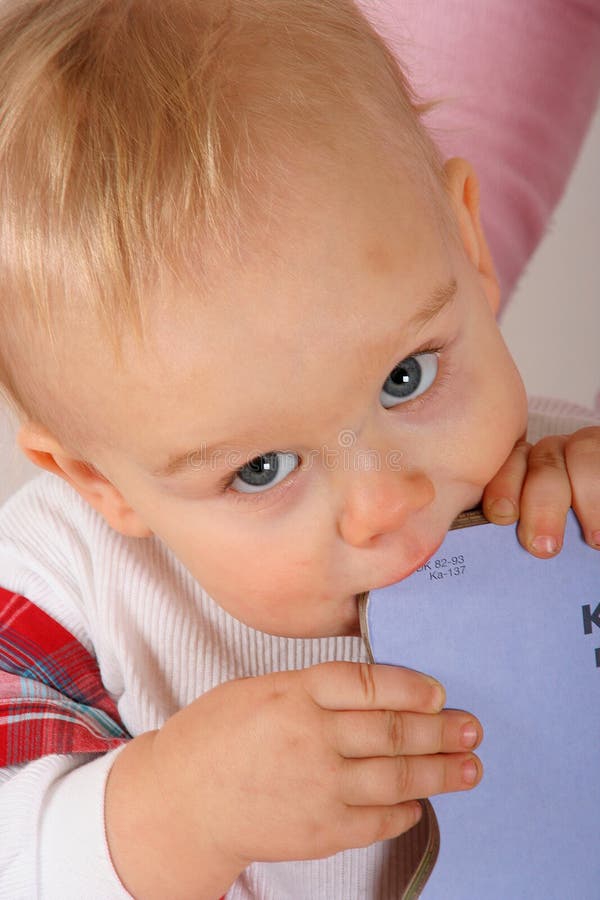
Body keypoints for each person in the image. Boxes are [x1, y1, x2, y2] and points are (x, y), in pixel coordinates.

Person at [0, 1, 598, 897]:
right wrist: (173, 813)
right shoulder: (63, 584)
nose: (385, 502)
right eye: (260, 470)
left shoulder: (567, 490)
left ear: (469, 244)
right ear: (97, 481)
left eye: (407, 376)